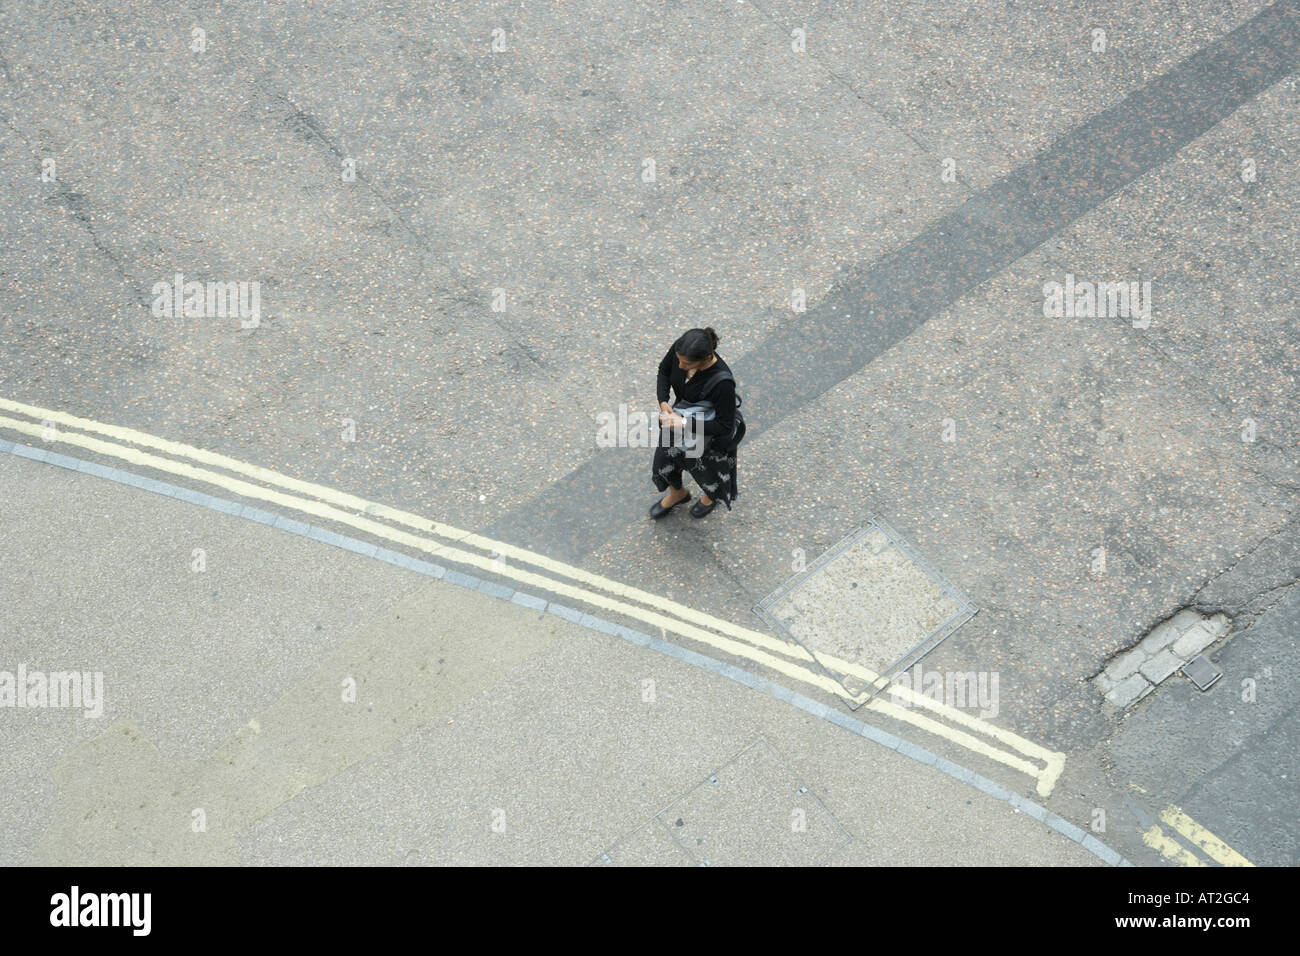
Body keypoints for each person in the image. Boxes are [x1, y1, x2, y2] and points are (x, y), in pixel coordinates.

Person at [649, 327, 744, 519]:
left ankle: (710, 497)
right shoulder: (681, 350)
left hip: (706, 437)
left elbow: (724, 427)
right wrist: (663, 400)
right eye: (679, 359)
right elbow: (664, 370)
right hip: (677, 422)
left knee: (708, 475)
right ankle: (678, 494)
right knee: (663, 465)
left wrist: (683, 422)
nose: (681, 365)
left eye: (687, 363)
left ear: (707, 358)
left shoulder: (723, 383)